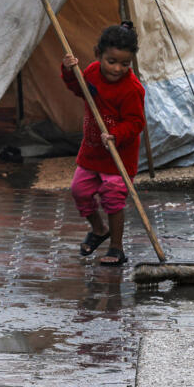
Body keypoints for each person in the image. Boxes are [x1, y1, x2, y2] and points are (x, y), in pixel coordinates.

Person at [61, 22, 145, 266]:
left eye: (125, 64)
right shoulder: (93, 71)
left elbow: (136, 122)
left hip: (119, 158)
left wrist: (116, 135)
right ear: (98, 54)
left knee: (112, 198)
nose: (117, 68)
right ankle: (99, 230)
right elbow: (79, 89)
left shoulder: (132, 89)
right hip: (91, 153)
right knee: (79, 191)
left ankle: (116, 247)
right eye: (112, 61)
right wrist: (69, 72)